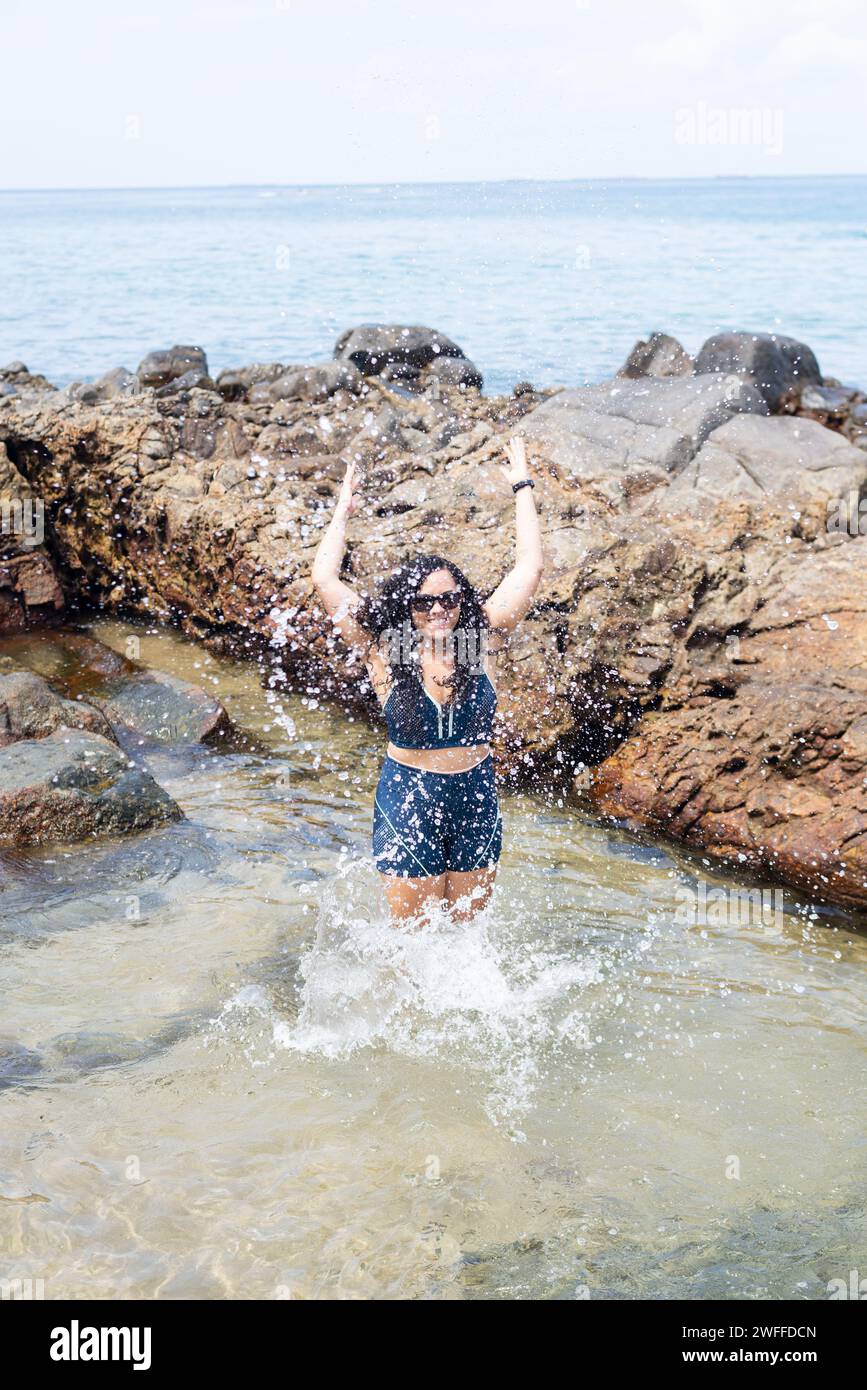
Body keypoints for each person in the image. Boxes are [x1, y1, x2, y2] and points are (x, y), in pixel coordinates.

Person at [309, 436, 543, 926]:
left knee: (466, 933)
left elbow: (529, 567)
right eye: (423, 602)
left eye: (448, 599)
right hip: (409, 793)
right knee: (411, 935)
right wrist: (343, 511)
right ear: (406, 607)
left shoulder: (483, 641)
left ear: (462, 601)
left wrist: (522, 486)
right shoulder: (381, 649)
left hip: (476, 795)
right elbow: (325, 580)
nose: (438, 609)